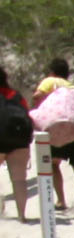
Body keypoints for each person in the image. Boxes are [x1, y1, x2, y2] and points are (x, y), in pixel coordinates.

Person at [28, 60, 74, 219]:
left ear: (52, 72)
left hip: (58, 127)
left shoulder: (50, 81)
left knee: (53, 163)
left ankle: (61, 200)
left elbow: (37, 96)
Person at [0, 66, 33, 222]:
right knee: (19, 179)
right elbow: (27, 115)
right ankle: (21, 215)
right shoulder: (16, 95)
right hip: (19, 139)